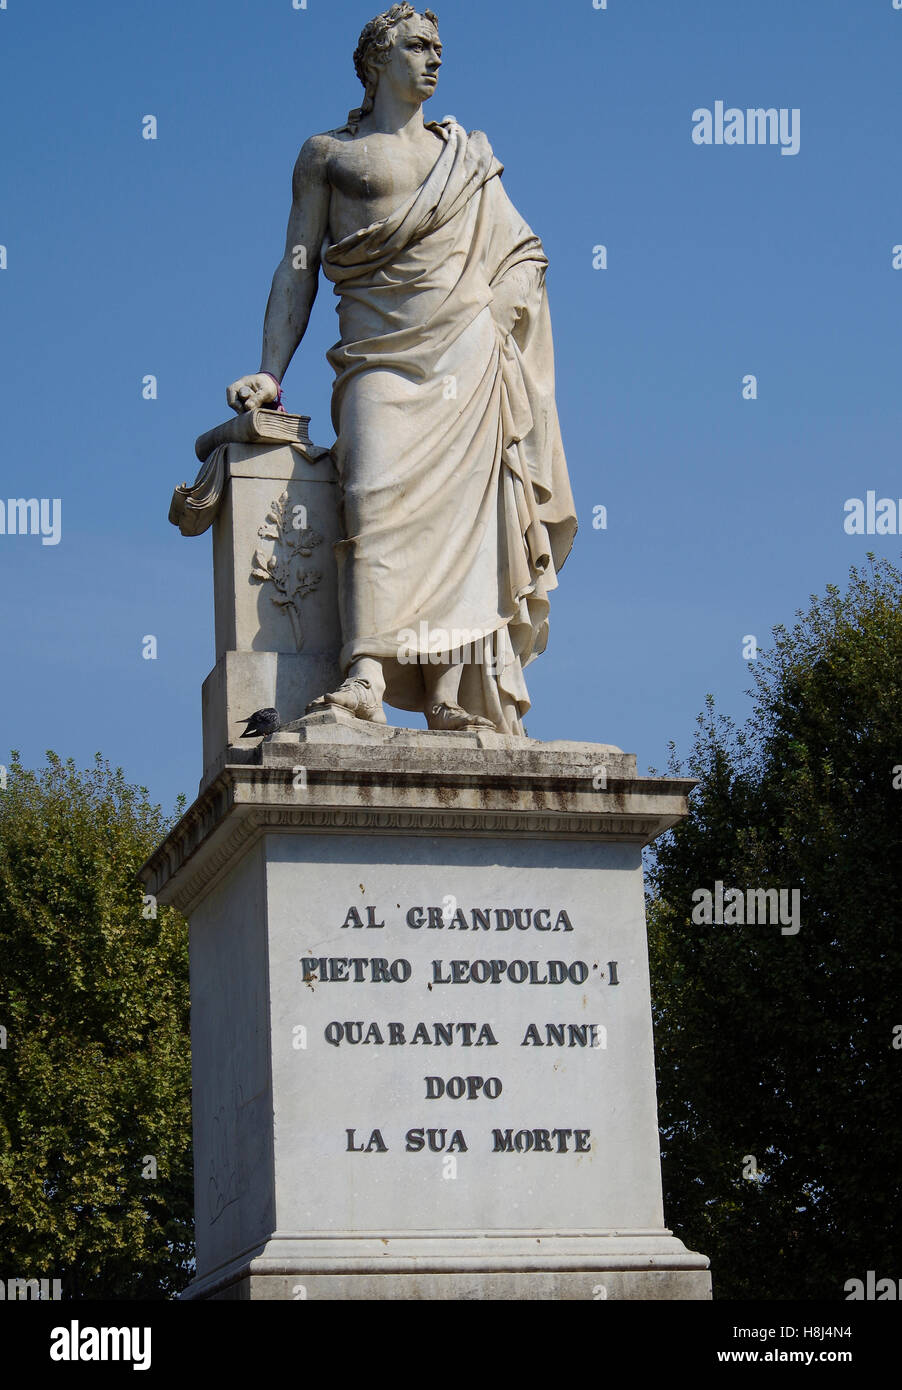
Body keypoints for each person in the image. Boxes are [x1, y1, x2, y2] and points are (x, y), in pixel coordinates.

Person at [227, 4, 576, 734]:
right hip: (379, 360)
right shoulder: (329, 155)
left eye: (439, 48)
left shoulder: (467, 156)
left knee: (466, 526)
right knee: (374, 498)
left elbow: (522, 251)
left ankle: (448, 694)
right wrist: (269, 371)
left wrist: (495, 310)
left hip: (466, 353)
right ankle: (365, 677)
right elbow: (297, 270)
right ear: (377, 61)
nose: (435, 59)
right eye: (418, 46)